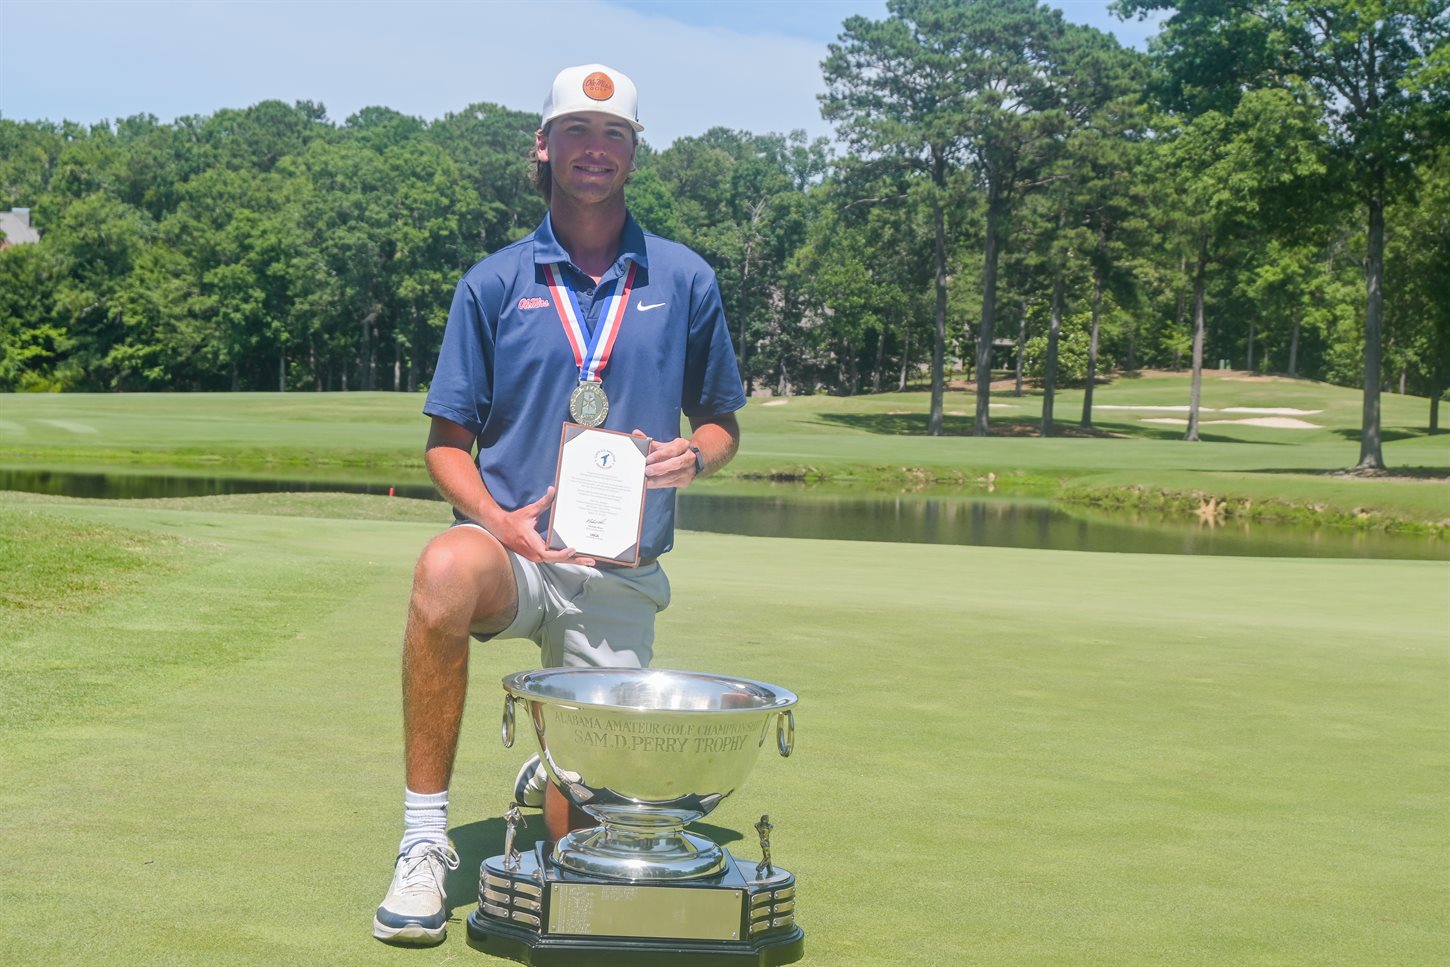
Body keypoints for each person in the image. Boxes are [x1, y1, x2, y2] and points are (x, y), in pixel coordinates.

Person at [372, 63, 745, 946]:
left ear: (633, 155)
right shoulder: (493, 283)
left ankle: (557, 782)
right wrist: (498, 524)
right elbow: (444, 446)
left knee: (581, 865)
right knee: (441, 568)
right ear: (545, 147)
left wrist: (698, 455)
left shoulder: (684, 278)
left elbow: (724, 423)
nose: (596, 148)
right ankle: (424, 844)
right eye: (578, 131)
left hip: (620, 574)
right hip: (515, 552)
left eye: (615, 135)